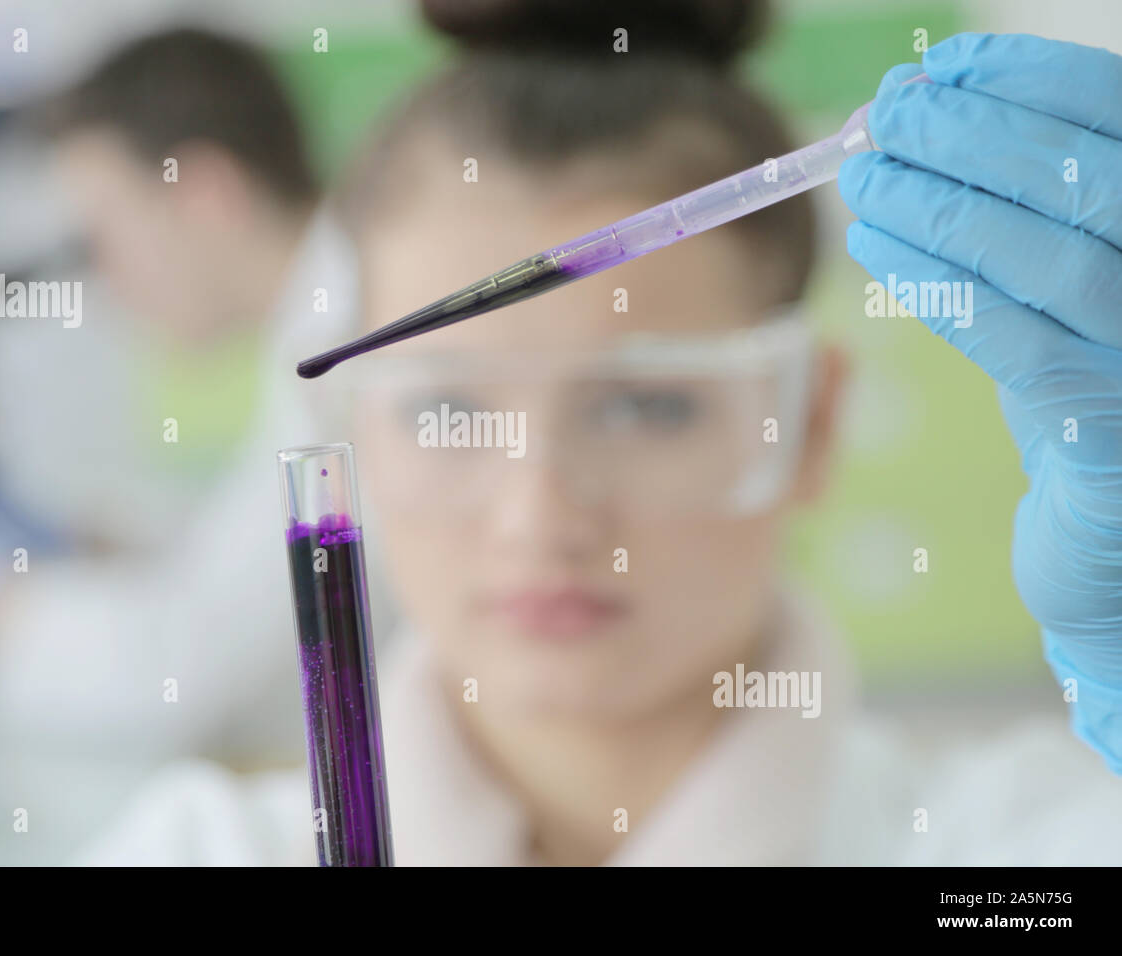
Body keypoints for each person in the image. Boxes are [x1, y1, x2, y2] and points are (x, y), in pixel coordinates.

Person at [79, 9, 1122, 865]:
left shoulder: (1025, 847)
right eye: (446, 409)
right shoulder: (196, 848)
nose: (541, 515)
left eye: (645, 404)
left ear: (807, 420)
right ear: (351, 427)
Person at [0, 27, 372, 762]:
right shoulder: (323, 318)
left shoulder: (346, 342)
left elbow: (185, 673)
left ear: (204, 191)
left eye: (102, 237)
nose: (107, 283)